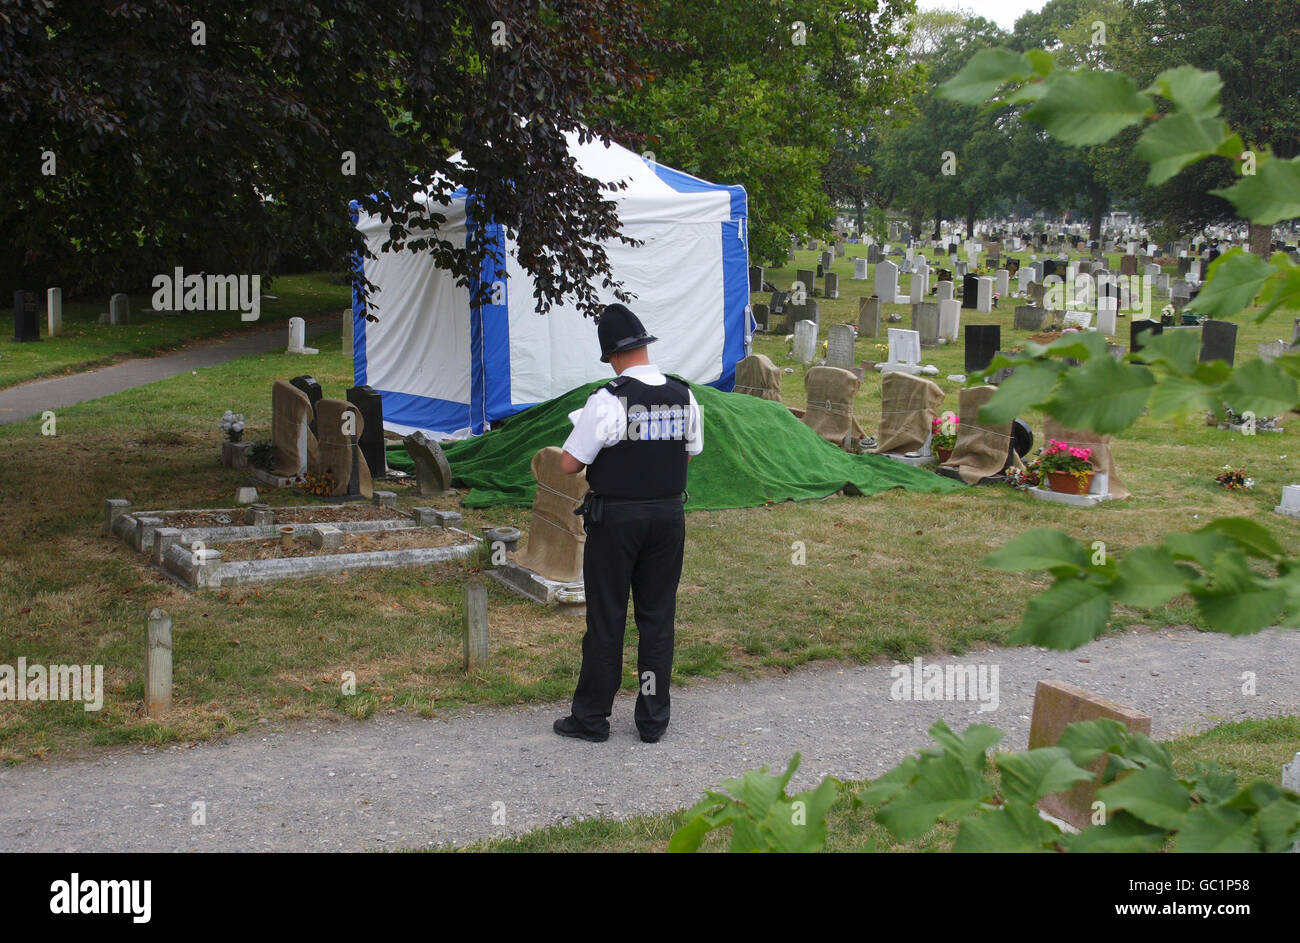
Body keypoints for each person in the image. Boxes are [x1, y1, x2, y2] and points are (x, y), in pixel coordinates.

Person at [552, 303, 702, 743]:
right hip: (668, 516)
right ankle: (653, 721)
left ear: (612, 356)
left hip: (617, 520)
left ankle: (592, 718)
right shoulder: (683, 393)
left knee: (607, 618)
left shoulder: (607, 399)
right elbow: (691, 449)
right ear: (644, 348)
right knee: (657, 618)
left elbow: (568, 463)